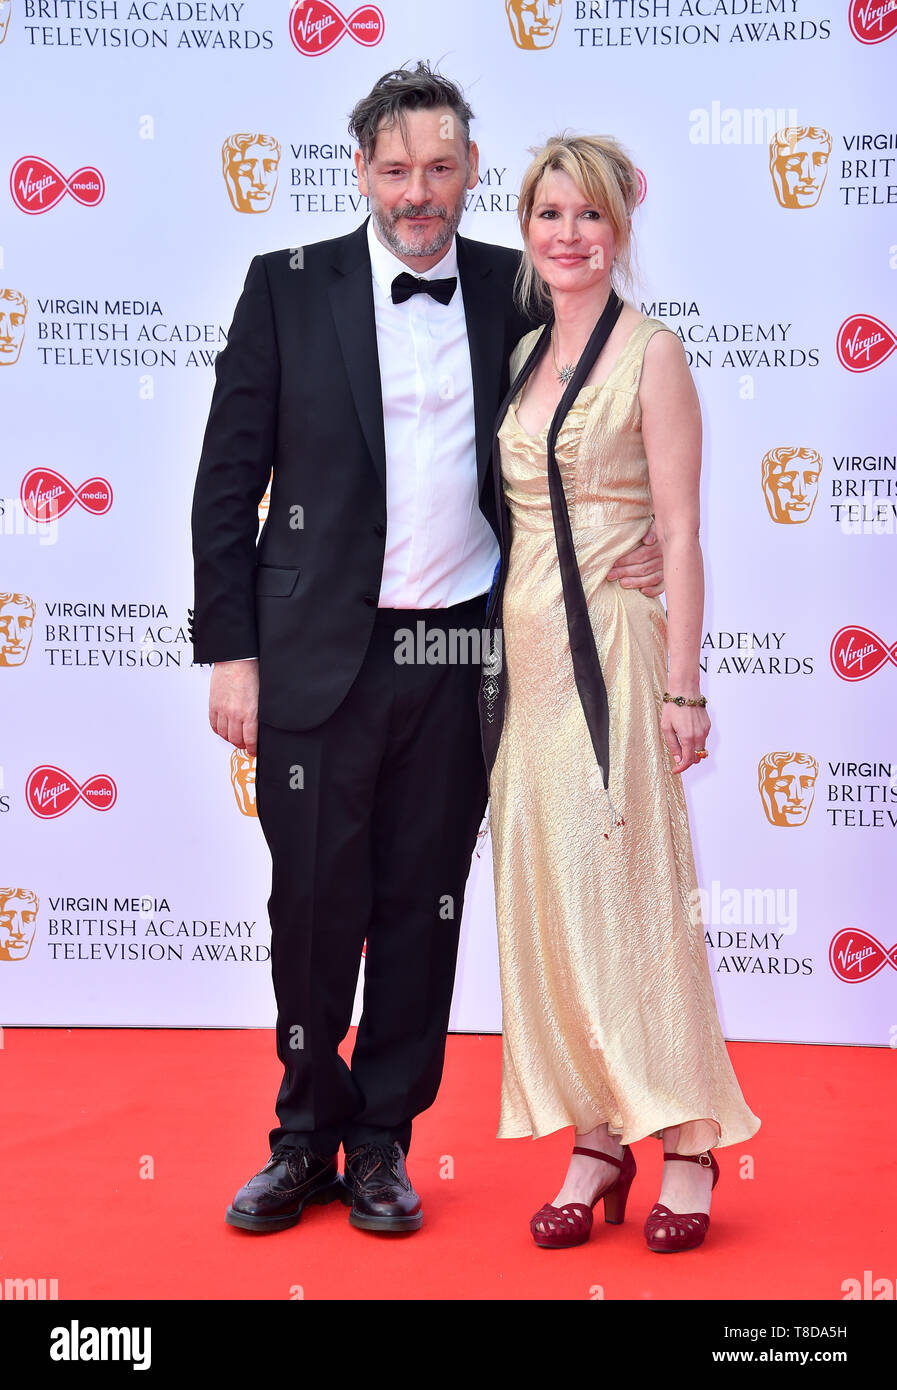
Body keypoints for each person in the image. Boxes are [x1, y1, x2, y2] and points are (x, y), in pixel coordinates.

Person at [191, 66, 664, 1237]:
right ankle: (303, 1134)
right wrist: (230, 651)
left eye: (441, 169)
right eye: (396, 169)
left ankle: (383, 1140)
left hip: (462, 655)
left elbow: (613, 389)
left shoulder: (514, 285)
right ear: (361, 170)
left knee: (422, 903)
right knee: (309, 905)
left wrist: (638, 535)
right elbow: (223, 484)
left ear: (468, 175)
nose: (419, 192)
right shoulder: (283, 288)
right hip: (309, 657)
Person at [479, 134, 760, 1251]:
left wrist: (687, 687)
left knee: (636, 890)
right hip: (524, 664)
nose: (568, 235)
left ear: (621, 227)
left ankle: (688, 1138)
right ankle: (597, 1136)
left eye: (589, 215)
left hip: (620, 655)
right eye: (549, 214)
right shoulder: (518, 352)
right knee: (551, 902)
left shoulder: (656, 354)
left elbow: (683, 530)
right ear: (529, 226)